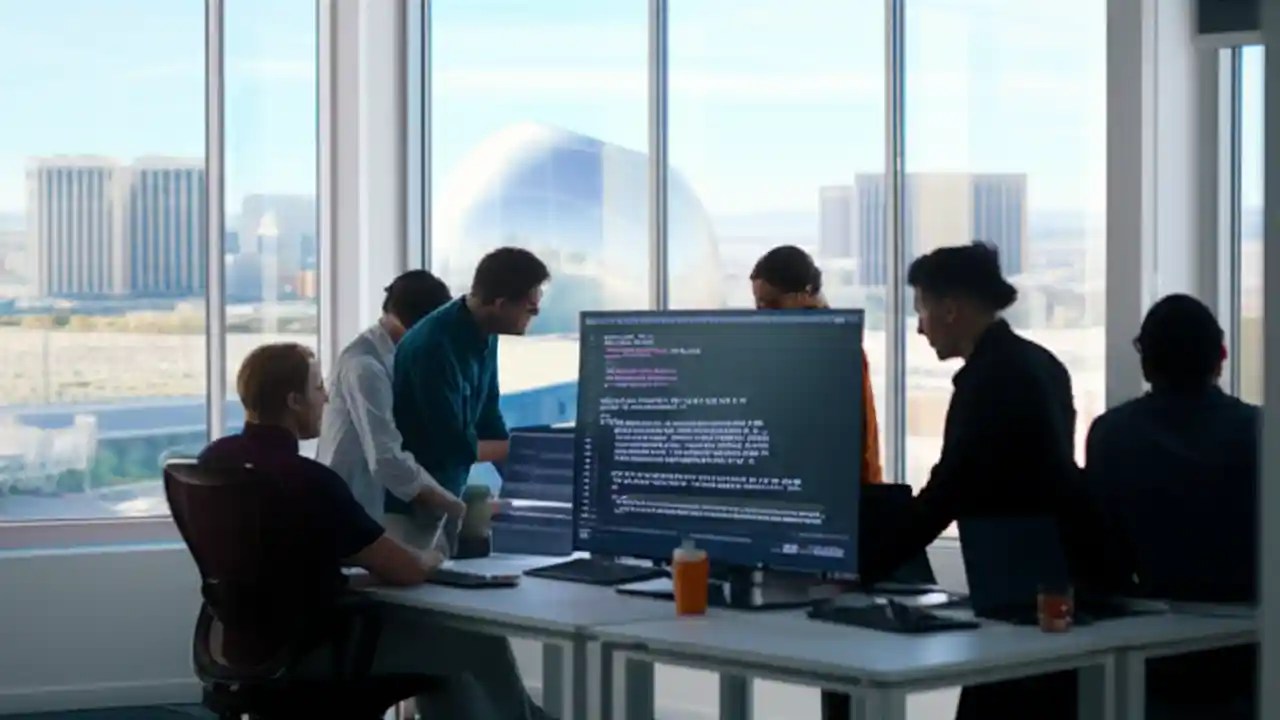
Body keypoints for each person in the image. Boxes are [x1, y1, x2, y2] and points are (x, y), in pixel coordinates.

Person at [201, 343, 551, 720]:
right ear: (293, 401)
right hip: (315, 650)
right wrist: (435, 556)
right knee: (474, 642)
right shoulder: (309, 482)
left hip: (235, 644)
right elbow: (406, 570)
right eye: (318, 387)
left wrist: (344, 582)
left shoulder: (214, 462)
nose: (327, 397)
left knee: (449, 661)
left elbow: (273, 570)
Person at [849, 242, 1099, 720]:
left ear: (950, 308)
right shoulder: (1039, 364)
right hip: (1054, 587)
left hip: (1016, 595)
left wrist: (863, 565)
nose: (919, 326)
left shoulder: (990, 381)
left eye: (922, 309)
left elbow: (950, 490)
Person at [1084, 294, 1257, 719]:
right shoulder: (1261, 433)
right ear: (1221, 356)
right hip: (1253, 649)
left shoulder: (1112, 435)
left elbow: (1102, 556)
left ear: (1146, 363)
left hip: (1148, 650)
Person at [392, 247, 550, 520]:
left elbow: (488, 418)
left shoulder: (486, 333)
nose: (536, 313)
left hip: (447, 495)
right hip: (410, 505)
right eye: (529, 307)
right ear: (500, 304)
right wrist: (525, 448)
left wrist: (524, 490)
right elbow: (452, 446)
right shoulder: (434, 347)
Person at [317, 270, 463, 553]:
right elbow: (385, 457)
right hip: (352, 504)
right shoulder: (364, 366)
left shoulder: (397, 355)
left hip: (373, 505)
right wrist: (447, 502)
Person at [749, 245, 883, 485]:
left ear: (807, 292)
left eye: (773, 304)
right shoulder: (794, 344)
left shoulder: (837, 349)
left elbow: (860, 440)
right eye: (759, 305)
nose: (764, 314)